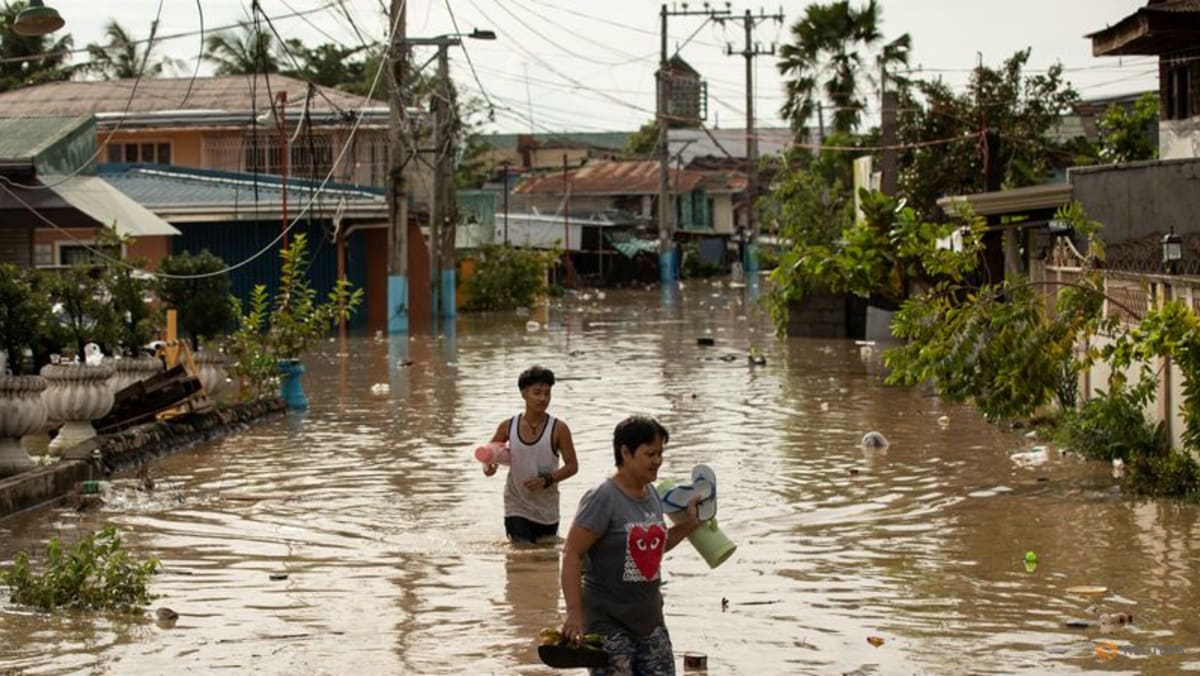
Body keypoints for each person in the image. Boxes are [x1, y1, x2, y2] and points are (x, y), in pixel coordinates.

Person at [559, 415, 700, 676]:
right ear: (625, 452)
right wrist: (574, 614)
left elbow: (653, 547)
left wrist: (689, 524)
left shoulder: (652, 495)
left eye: (660, 453)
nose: (657, 460)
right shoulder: (602, 497)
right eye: (650, 454)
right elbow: (572, 554)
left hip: (650, 620)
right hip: (607, 623)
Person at [484, 365, 578, 544]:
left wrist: (547, 480)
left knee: (546, 559)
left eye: (547, 393)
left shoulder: (559, 429)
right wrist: (489, 467)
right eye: (537, 392)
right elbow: (489, 455)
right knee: (523, 551)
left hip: (547, 509)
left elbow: (573, 466)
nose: (543, 398)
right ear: (524, 393)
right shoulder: (507, 426)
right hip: (516, 505)